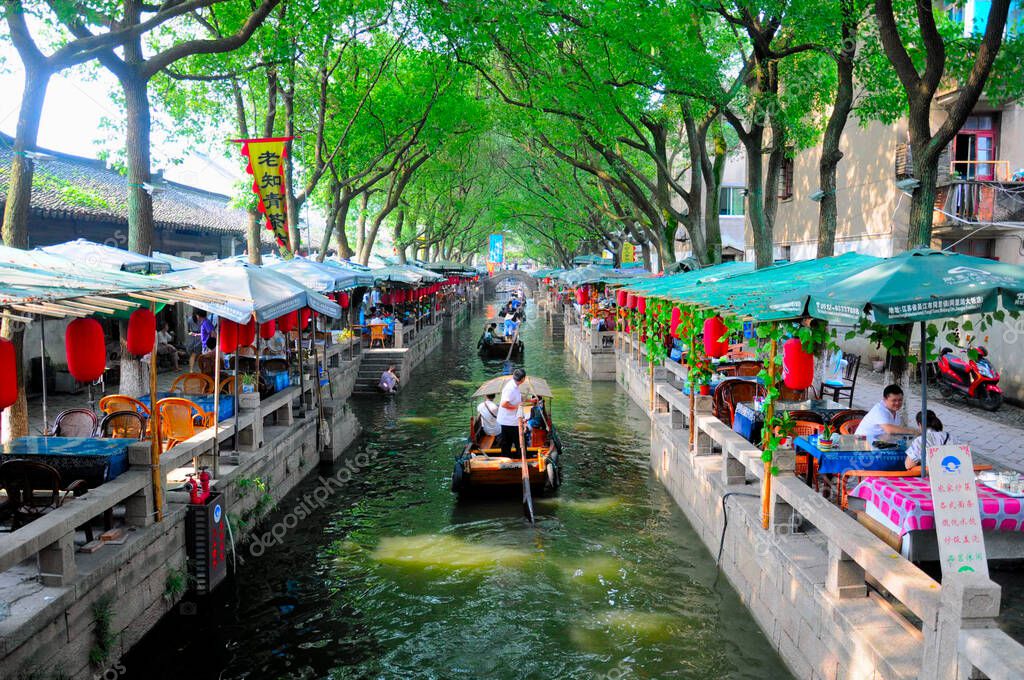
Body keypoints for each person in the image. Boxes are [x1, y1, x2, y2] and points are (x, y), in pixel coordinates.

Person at [854, 384, 920, 441]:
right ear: (885, 399)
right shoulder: (879, 410)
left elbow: (896, 431)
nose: (897, 403)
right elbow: (889, 429)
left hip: (876, 441)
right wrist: (913, 431)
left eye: (900, 400)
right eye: (894, 400)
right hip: (862, 443)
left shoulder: (894, 411)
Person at [498, 368, 535, 459]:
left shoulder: (514, 386)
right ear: (522, 379)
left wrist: (530, 400)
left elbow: (518, 397)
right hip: (509, 421)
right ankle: (515, 458)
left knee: (511, 442)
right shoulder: (510, 388)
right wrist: (517, 406)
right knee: (517, 441)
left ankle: (514, 457)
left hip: (512, 420)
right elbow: (503, 404)